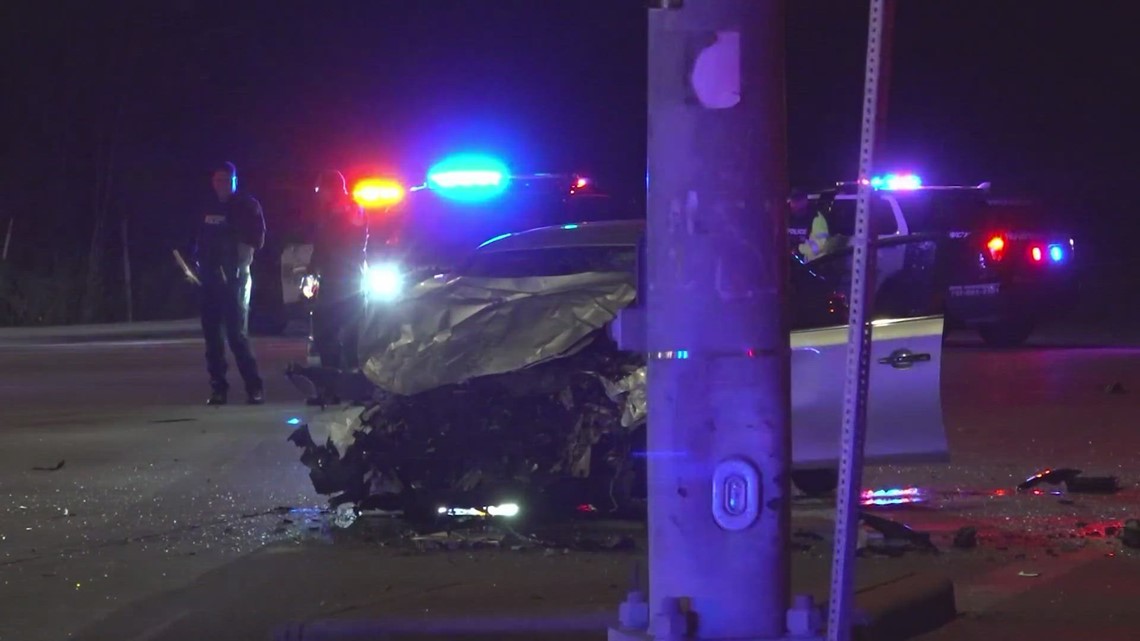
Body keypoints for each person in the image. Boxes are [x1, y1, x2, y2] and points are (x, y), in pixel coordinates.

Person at [192, 161, 266, 406]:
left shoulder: (247, 205)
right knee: (212, 337)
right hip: (210, 279)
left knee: (237, 335)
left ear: (234, 181)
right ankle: (218, 388)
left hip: (236, 278)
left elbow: (258, 239)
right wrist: (197, 263)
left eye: (226, 180)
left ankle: (254, 387)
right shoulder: (207, 205)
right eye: (217, 180)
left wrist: (235, 246)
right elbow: (198, 238)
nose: (221, 185)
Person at [307, 170, 368, 380]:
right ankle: (333, 378)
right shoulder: (328, 212)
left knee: (347, 332)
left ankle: (350, 379)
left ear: (330, 188)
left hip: (346, 280)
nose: (318, 194)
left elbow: (351, 244)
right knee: (327, 332)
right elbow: (321, 245)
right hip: (333, 279)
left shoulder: (350, 209)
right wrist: (312, 269)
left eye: (320, 189)